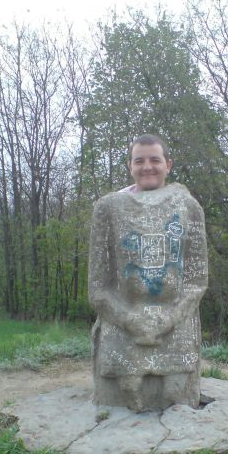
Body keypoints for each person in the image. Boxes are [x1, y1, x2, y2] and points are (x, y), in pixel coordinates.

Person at [88, 134, 208, 411]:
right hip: (123, 317)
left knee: (176, 393)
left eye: (155, 160)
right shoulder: (108, 207)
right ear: (130, 166)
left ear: (168, 164)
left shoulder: (188, 206)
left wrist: (170, 318)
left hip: (175, 319)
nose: (147, 167)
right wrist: (128, 319)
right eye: (139, 161)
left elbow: (197, 280)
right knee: (125, 392)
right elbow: (98, 286)